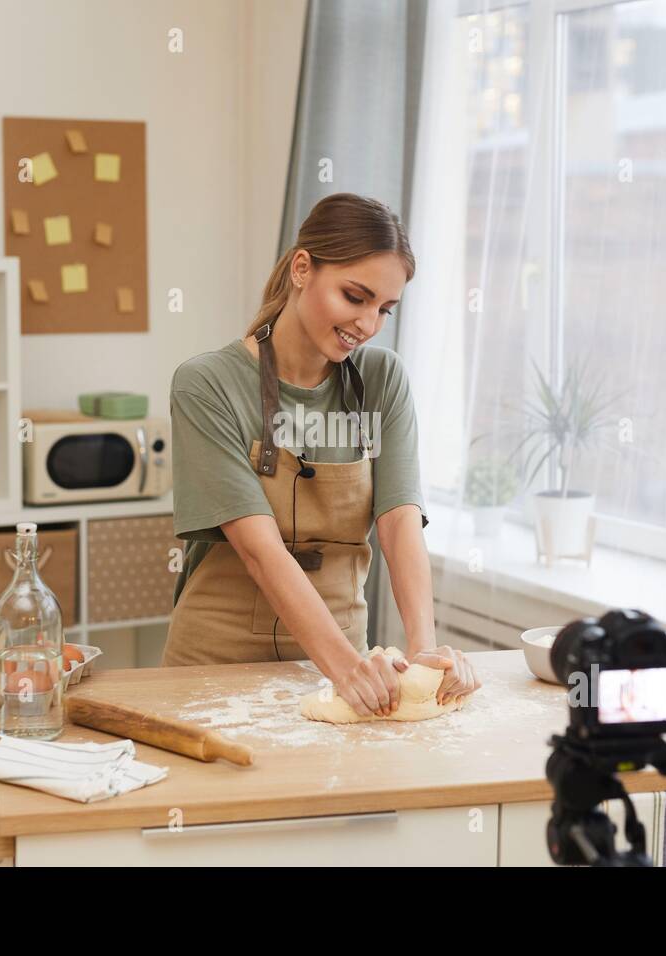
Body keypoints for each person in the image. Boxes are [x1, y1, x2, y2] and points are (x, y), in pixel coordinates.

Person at [162, 193, 480, 719]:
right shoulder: (206, 385)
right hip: (214, 664)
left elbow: (400, 521)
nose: (369, 324)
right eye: (355, 297)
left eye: (384, 309)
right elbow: (260, 550)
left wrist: (424, 648)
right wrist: (345, 667)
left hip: (343, 660)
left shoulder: (383, 380)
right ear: (302, 268)